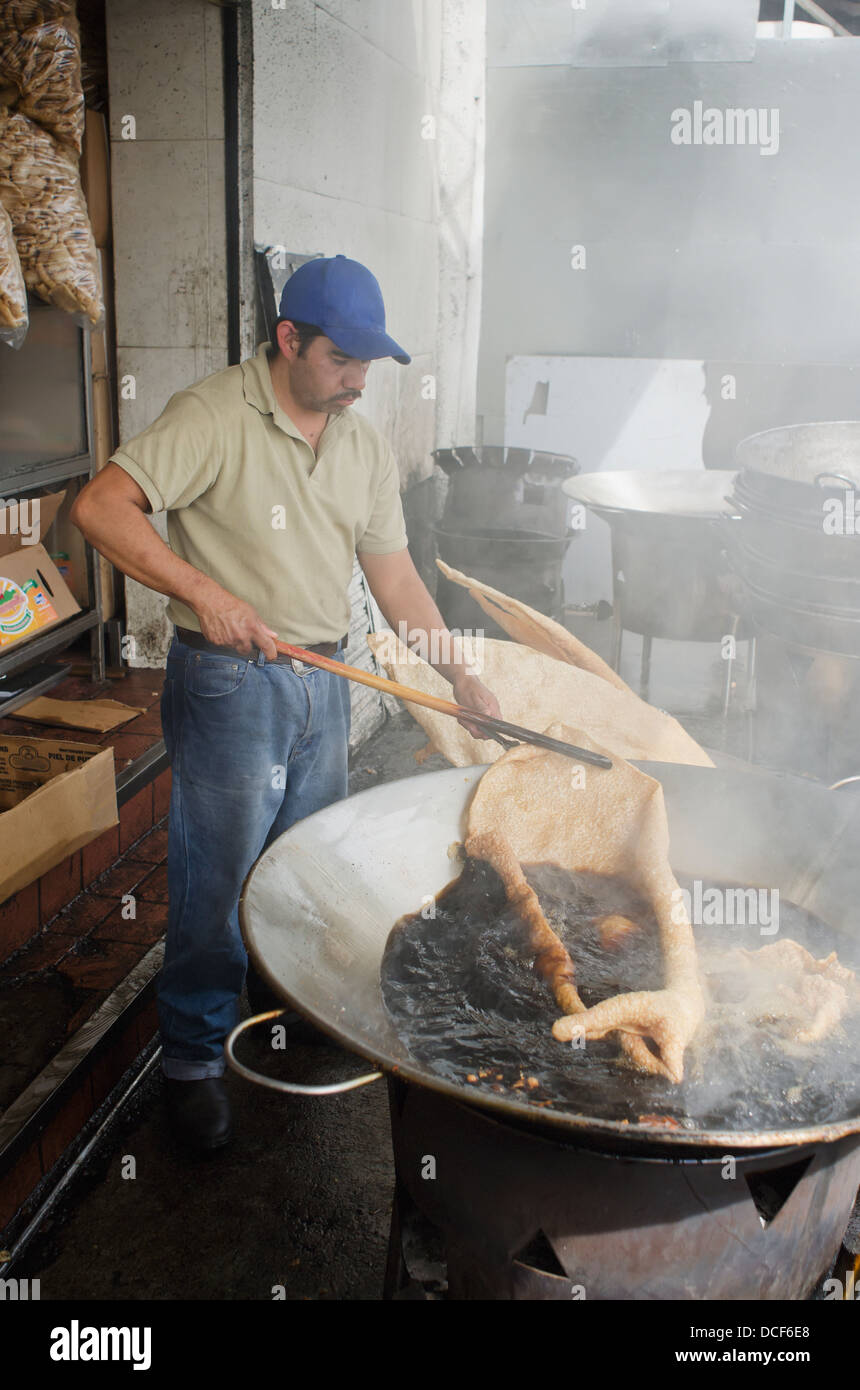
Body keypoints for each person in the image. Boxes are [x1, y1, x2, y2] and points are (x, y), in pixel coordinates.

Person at [72, 255, 501, 1150]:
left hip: (327, 679)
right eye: (341, 361)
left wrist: (454, 672)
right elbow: (102, 508)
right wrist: (205, 594)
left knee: (303, 866)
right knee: (215, 881)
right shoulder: (214, 415)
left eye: (367, 367)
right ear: (288, 340)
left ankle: (280, 1012)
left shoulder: (362, 445)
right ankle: (191, 1059)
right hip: (231, 685)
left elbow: (394, 579)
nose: (355, 383)